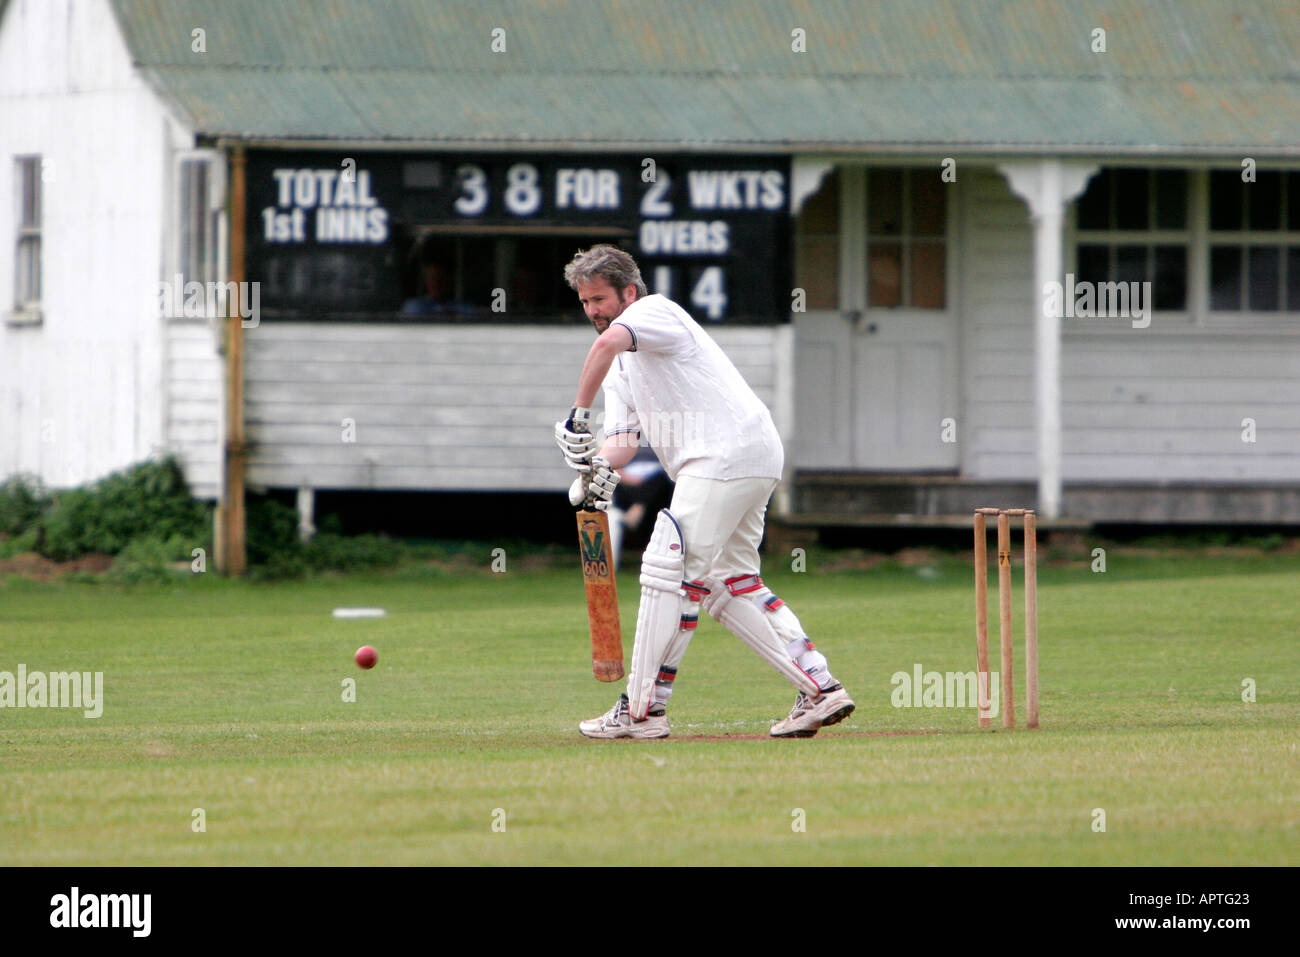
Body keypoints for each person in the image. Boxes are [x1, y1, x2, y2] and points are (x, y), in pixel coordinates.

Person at [554, 245, 854, 739]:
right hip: (748, 456)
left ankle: (641, 709)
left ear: (628, 292)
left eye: (600, 299)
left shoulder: (654, 312)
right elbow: (624, 443)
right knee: (729, 583)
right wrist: (592, 470)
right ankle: (819, 689)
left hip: (723, 456)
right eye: (585, 302)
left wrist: (575, 415)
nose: (593, 312)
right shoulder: (623, 363)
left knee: (665, 569)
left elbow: (604, 348)